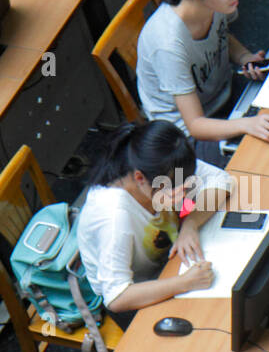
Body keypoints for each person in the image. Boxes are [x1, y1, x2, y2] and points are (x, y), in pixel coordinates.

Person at [136, 0, 269, 167]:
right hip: (188, 137)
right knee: (267, 162)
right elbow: (195, 125)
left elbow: (221, 34)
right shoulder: (167, 44)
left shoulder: (214, 2)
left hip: (226, 99)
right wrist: (246, 125)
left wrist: (244, 57)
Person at [77, 120, 232, 319]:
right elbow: (116, 297)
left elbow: (221, 180)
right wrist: (185, 283)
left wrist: (190, 225)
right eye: (171, 191)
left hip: (170, 262)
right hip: (142, 292)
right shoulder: (114, 218)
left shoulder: (163, 163)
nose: (180, 196)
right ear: (140, 178)